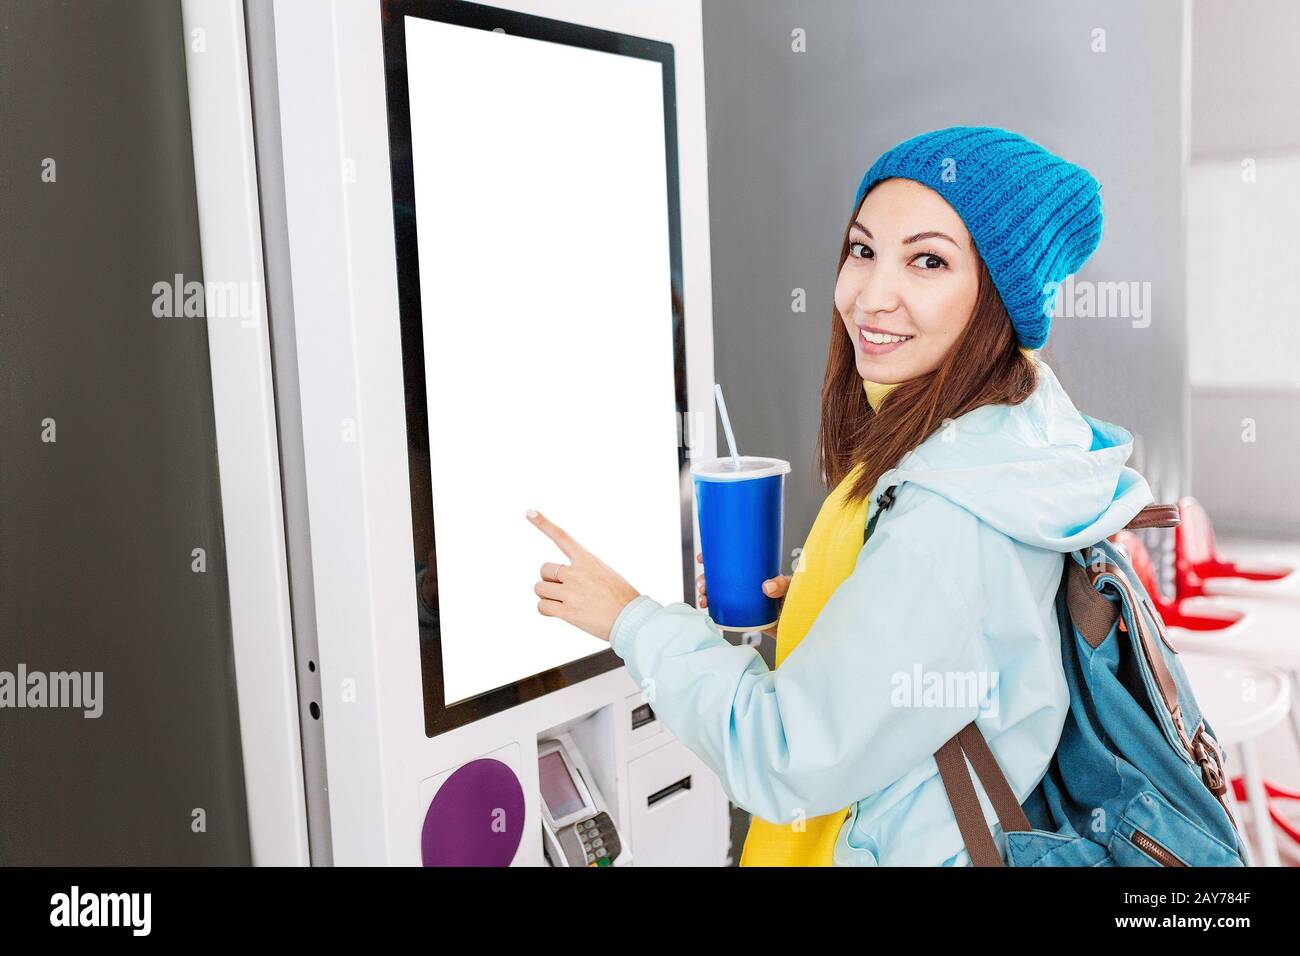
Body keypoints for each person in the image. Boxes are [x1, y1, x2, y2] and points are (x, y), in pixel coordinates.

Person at [526, 126, 1154, 866]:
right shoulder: (1007, 444)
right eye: (862, 250)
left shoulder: (949, 516)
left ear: (998, 299)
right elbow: (967, 647)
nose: (871, 295)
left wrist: (631, 619)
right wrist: (844, 614)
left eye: (927, 260)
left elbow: (782, 753)